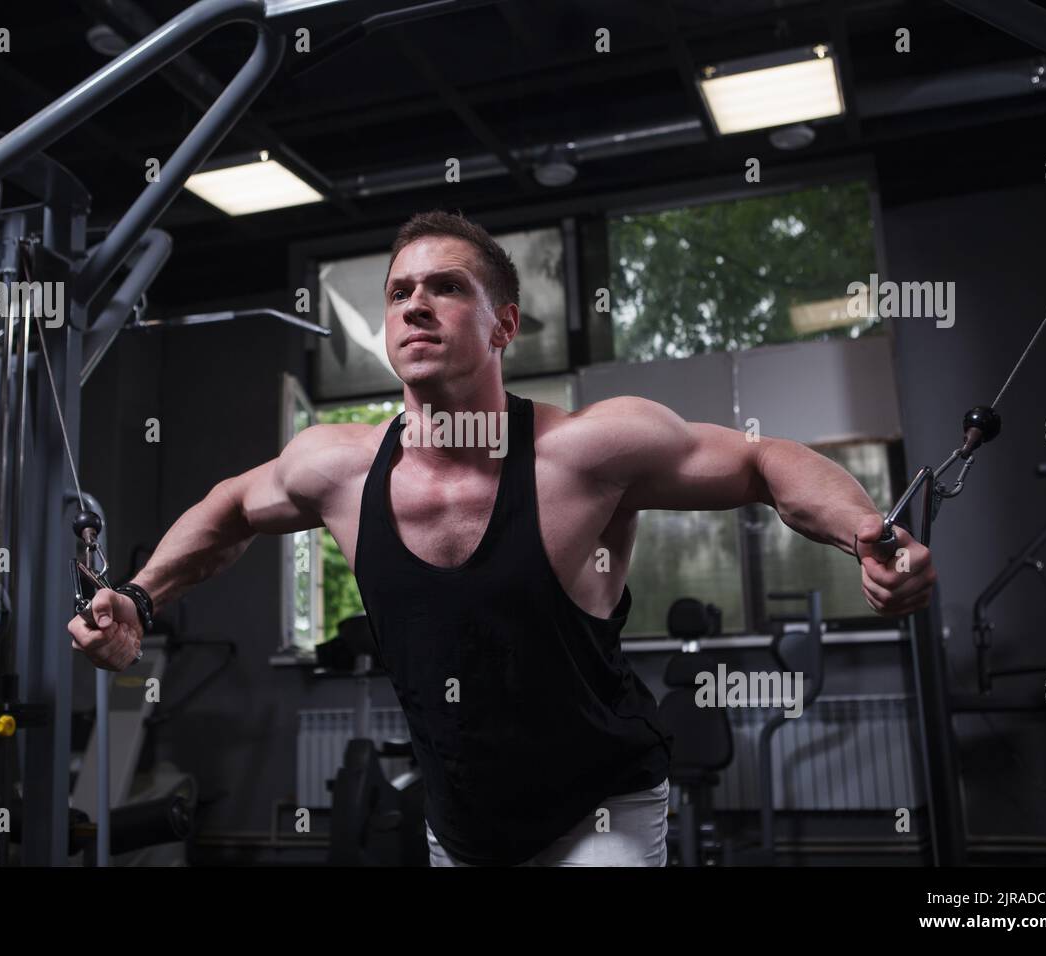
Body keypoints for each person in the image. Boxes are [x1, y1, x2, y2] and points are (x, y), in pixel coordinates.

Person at [69, 210, 936, 866]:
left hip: (601, 811)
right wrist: (141, 598)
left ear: (504, 325)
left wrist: (863, 528)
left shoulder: (587, 450)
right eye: (400, 292)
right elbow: (227, 508)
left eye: (445, 286)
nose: (415, 304)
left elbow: (762, 462)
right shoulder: (334, 465)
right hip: (461, 825)